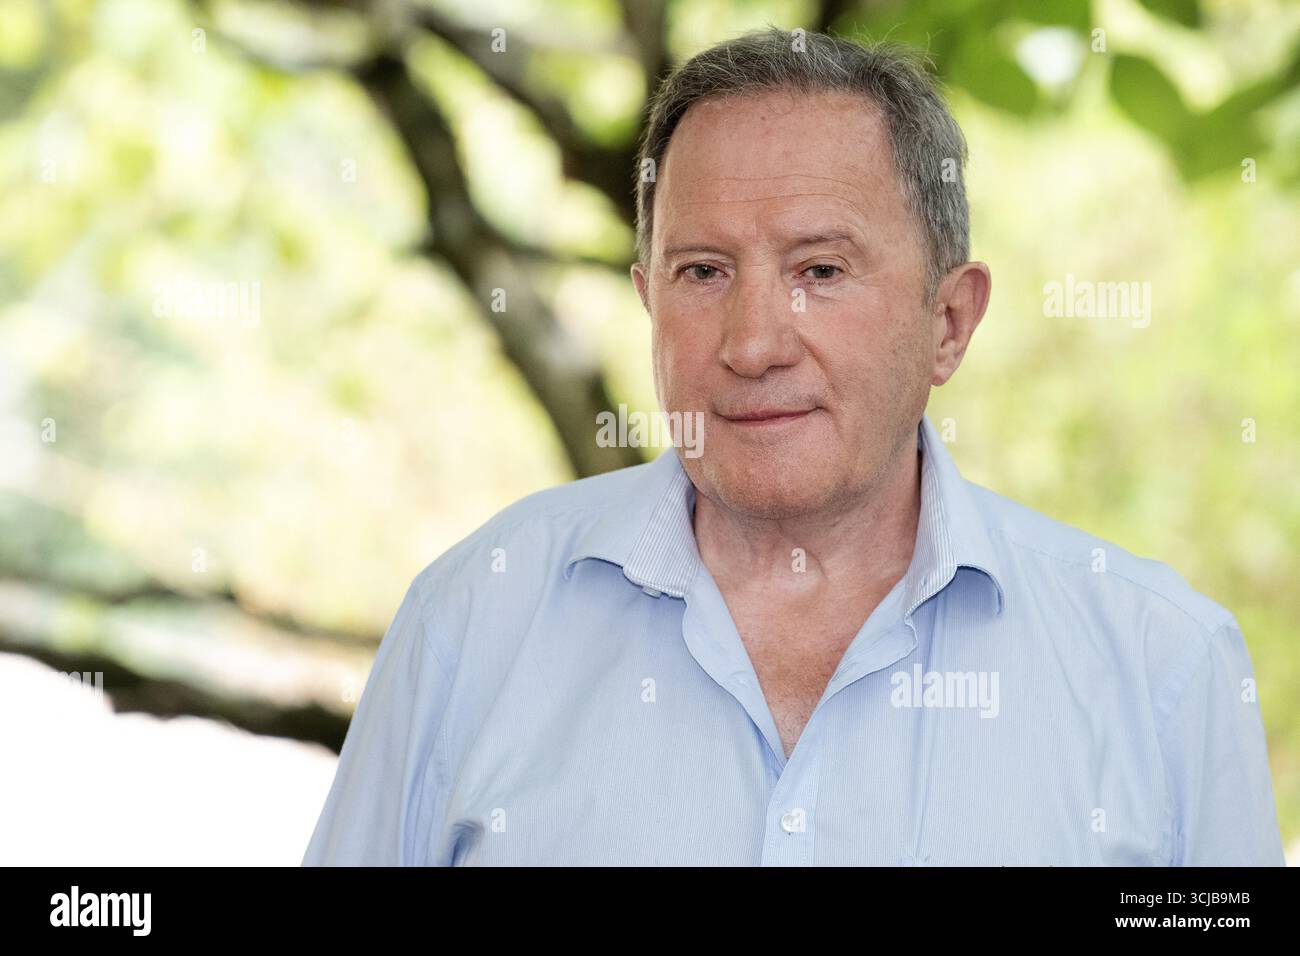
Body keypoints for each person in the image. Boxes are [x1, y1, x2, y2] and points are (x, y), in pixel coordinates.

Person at [303, 28, 1285, 866]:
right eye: (701, 270)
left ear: (948, 321)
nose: (753, 342)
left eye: (820, 267)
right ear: (647, 302)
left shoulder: (1164, 667)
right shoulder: (471, 621)